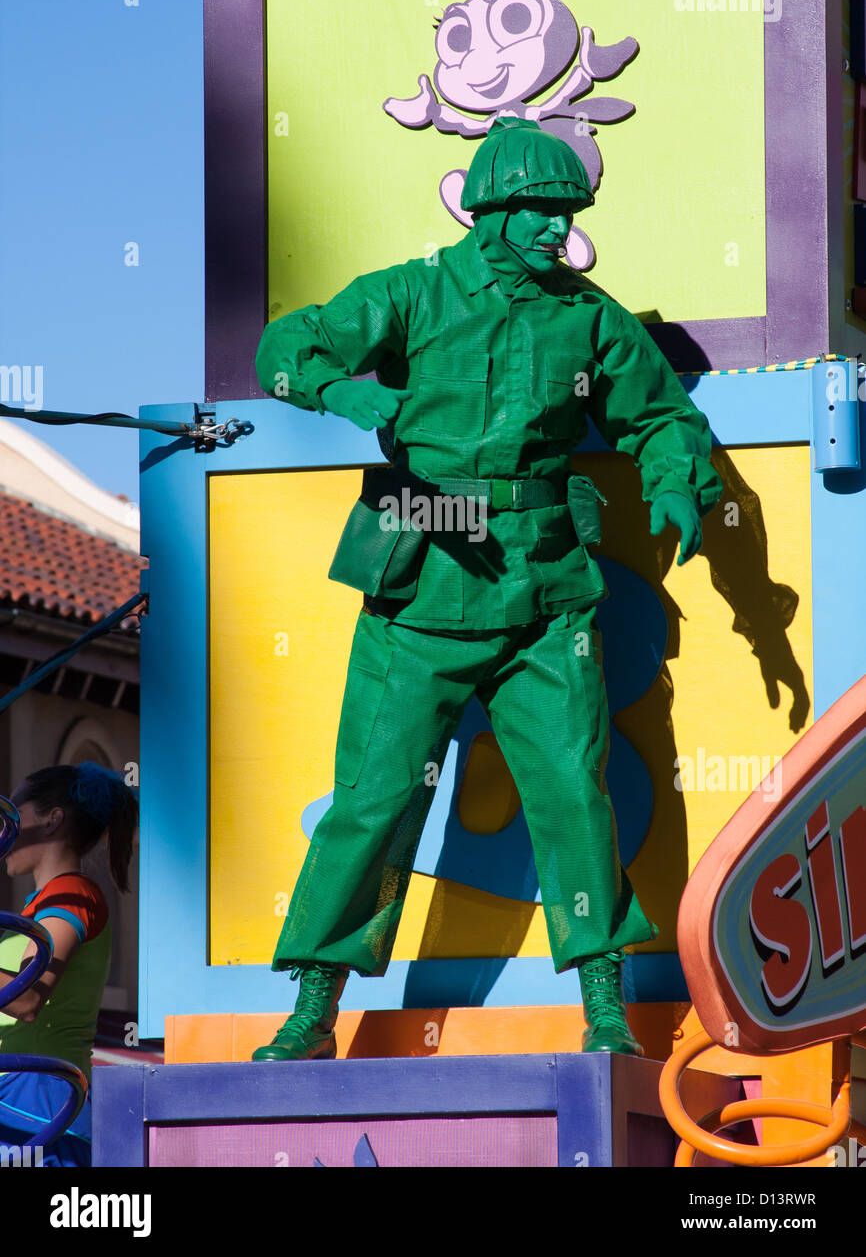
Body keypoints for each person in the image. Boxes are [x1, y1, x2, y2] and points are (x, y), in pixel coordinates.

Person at [252, 116, 722, 1061]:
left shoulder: (590, 317)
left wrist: (675, 480)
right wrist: (345, 393)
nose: (560, 230)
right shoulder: (411, 294)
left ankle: (604, 1009)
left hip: (546, 591)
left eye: (569, 213)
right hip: (425, 572)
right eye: (543, 213)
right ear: (493, 211)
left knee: (573, 794)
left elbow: (663, 417)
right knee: (376, 797)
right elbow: (288, 347)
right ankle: (313, 1010)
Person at [0, 762, 138, 1165]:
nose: (5, 828)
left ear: (51, 820)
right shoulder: (41, 906)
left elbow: (26, 999)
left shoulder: (73, 895)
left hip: (37, 1105)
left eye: (15, 811)